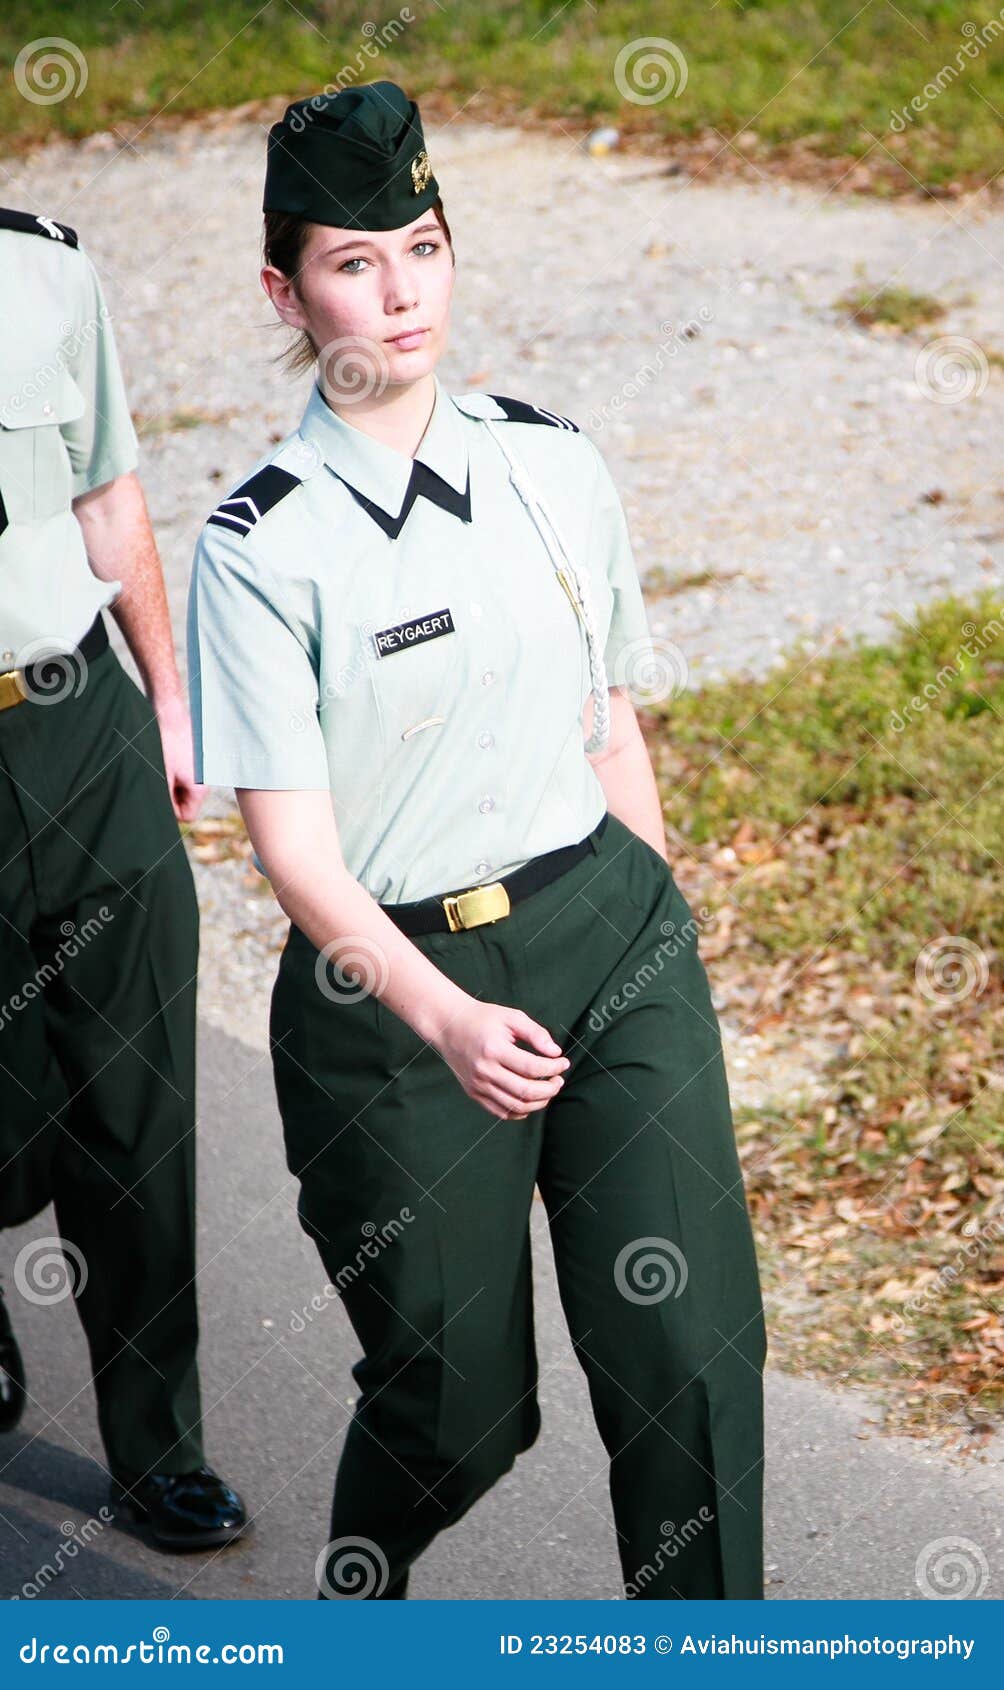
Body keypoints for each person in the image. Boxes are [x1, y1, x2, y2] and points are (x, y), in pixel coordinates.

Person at [186, 80, 767, 1600]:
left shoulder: (551, 459)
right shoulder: (263, 544)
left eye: (425, 247)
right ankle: (359, 1614)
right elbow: (295, 853)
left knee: (689, 1349)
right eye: (354, 261)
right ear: (286, 290)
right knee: (457, 1403)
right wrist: (444, 1015)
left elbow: (606, 719)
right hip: (395, 992)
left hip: (610, 928)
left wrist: (660, 921)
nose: (401, 292)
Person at [0, 207, 248, 1550]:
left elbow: (107, 496)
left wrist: (167, 703)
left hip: (81, 716)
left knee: (136, 1103)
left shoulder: (43, 268)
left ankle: (161, 1448)